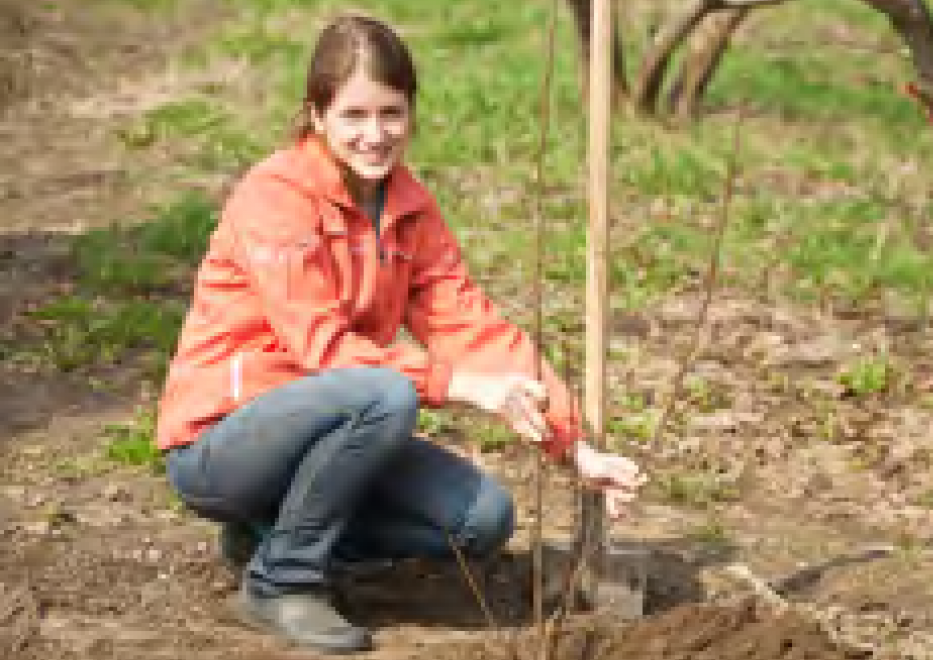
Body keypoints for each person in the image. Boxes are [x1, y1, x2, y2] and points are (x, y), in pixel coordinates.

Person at [156, 15, 646, 655]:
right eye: (354, 115)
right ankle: (282, 582)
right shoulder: (275, 196)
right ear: (317, 113)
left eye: (391, 113)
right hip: (223, 441)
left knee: (480, 521)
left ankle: (269, 534)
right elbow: (323, 351)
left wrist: (574, 445)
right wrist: (459, 387)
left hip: (330, 424)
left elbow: (472, 325)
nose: (374, 134)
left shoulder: (409, 206)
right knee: (385, 394)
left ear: (412, 112)